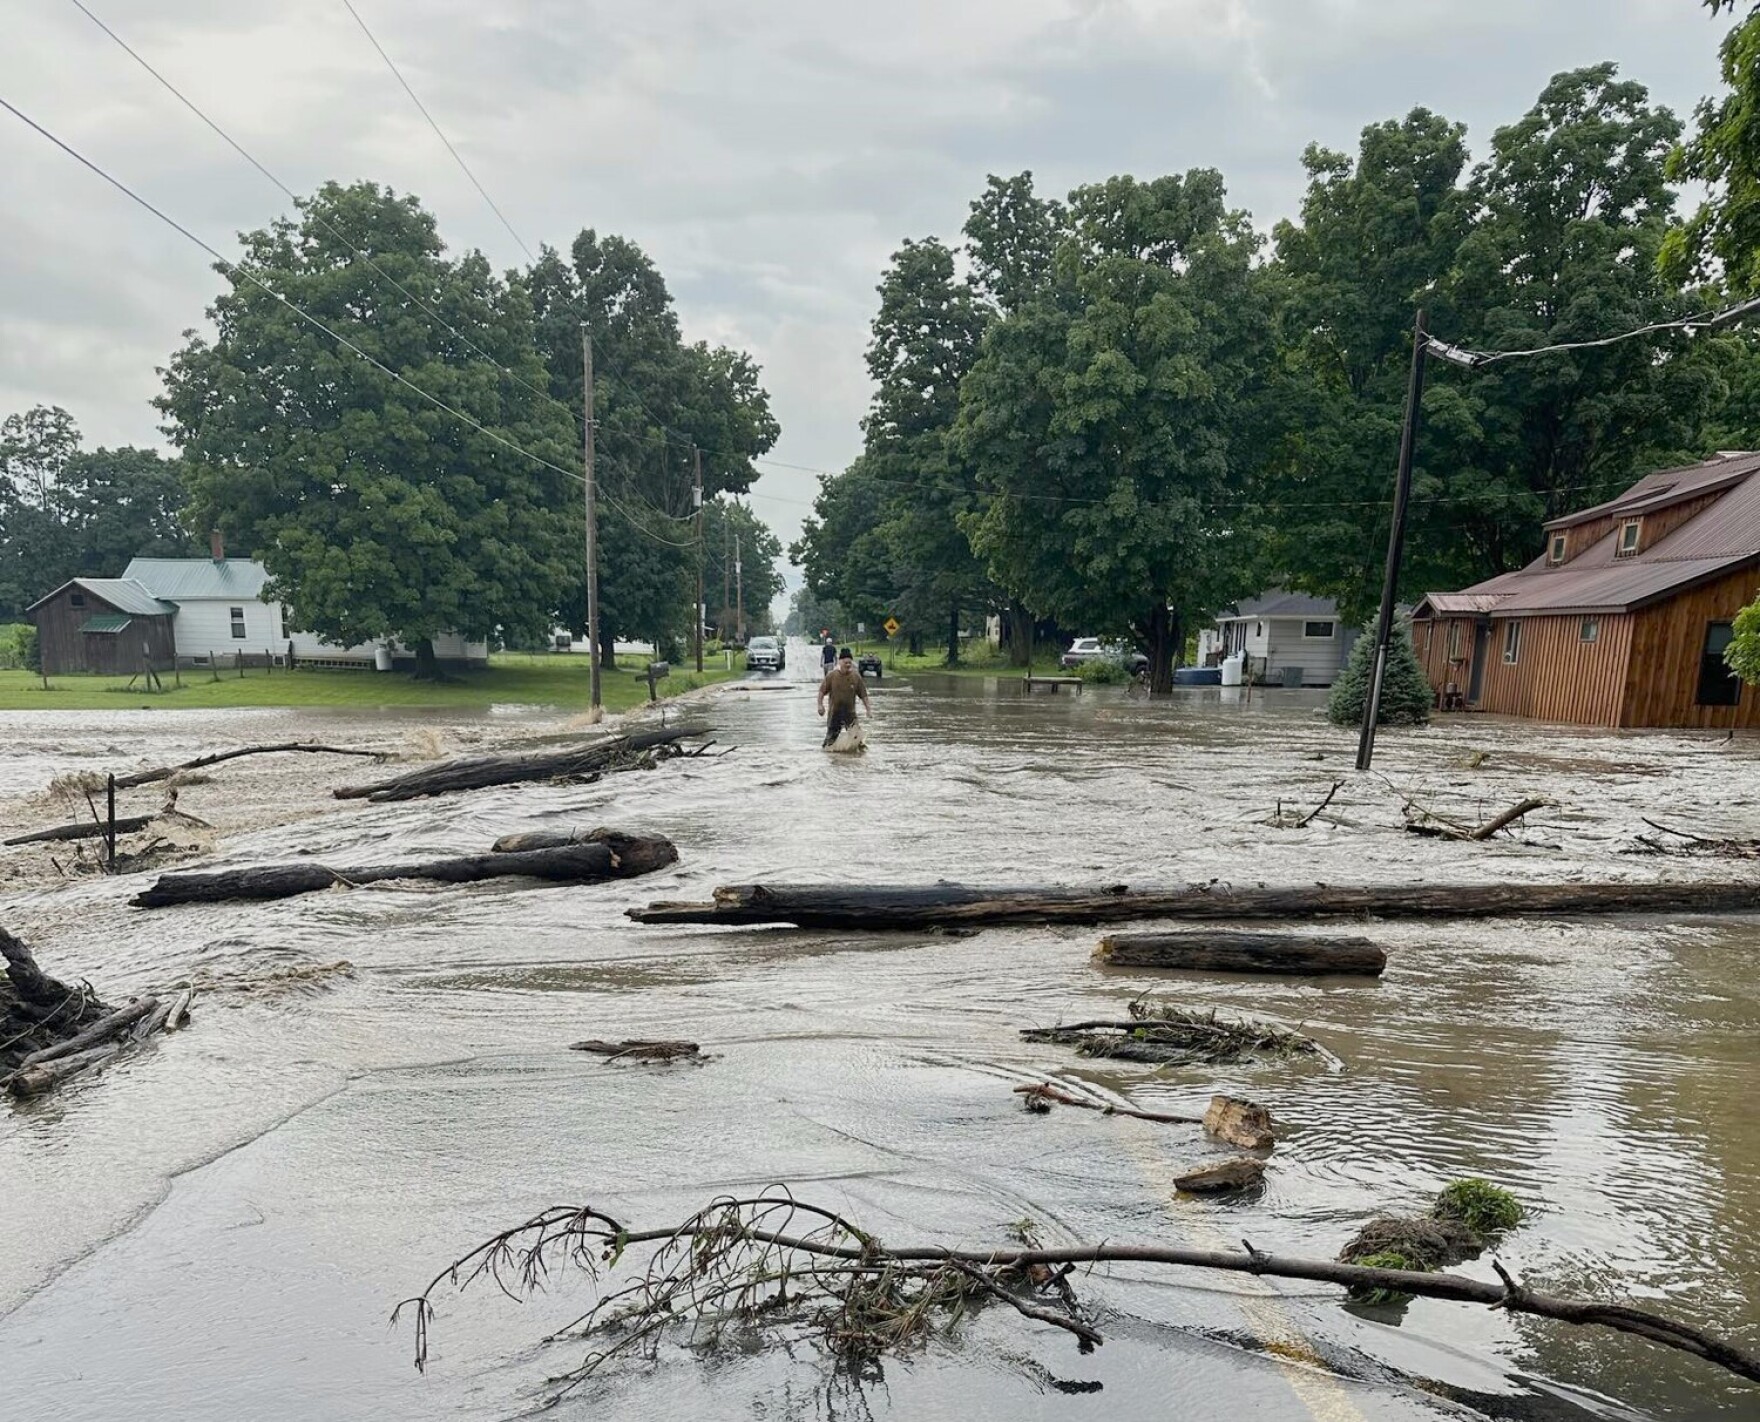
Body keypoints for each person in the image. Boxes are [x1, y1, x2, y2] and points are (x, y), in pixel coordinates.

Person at [817, 646, 871, 748]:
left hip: (850, 714)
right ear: (839, 662)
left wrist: (868, 709)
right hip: (835, 714)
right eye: (845, 662)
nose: (848, 665)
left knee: (858, 741)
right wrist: (820, 705)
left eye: (849, 663)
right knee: (829, 743)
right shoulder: (832, 676)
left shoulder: (856, 677)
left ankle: (858, 758)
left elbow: (863, 695)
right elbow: (821, 691)